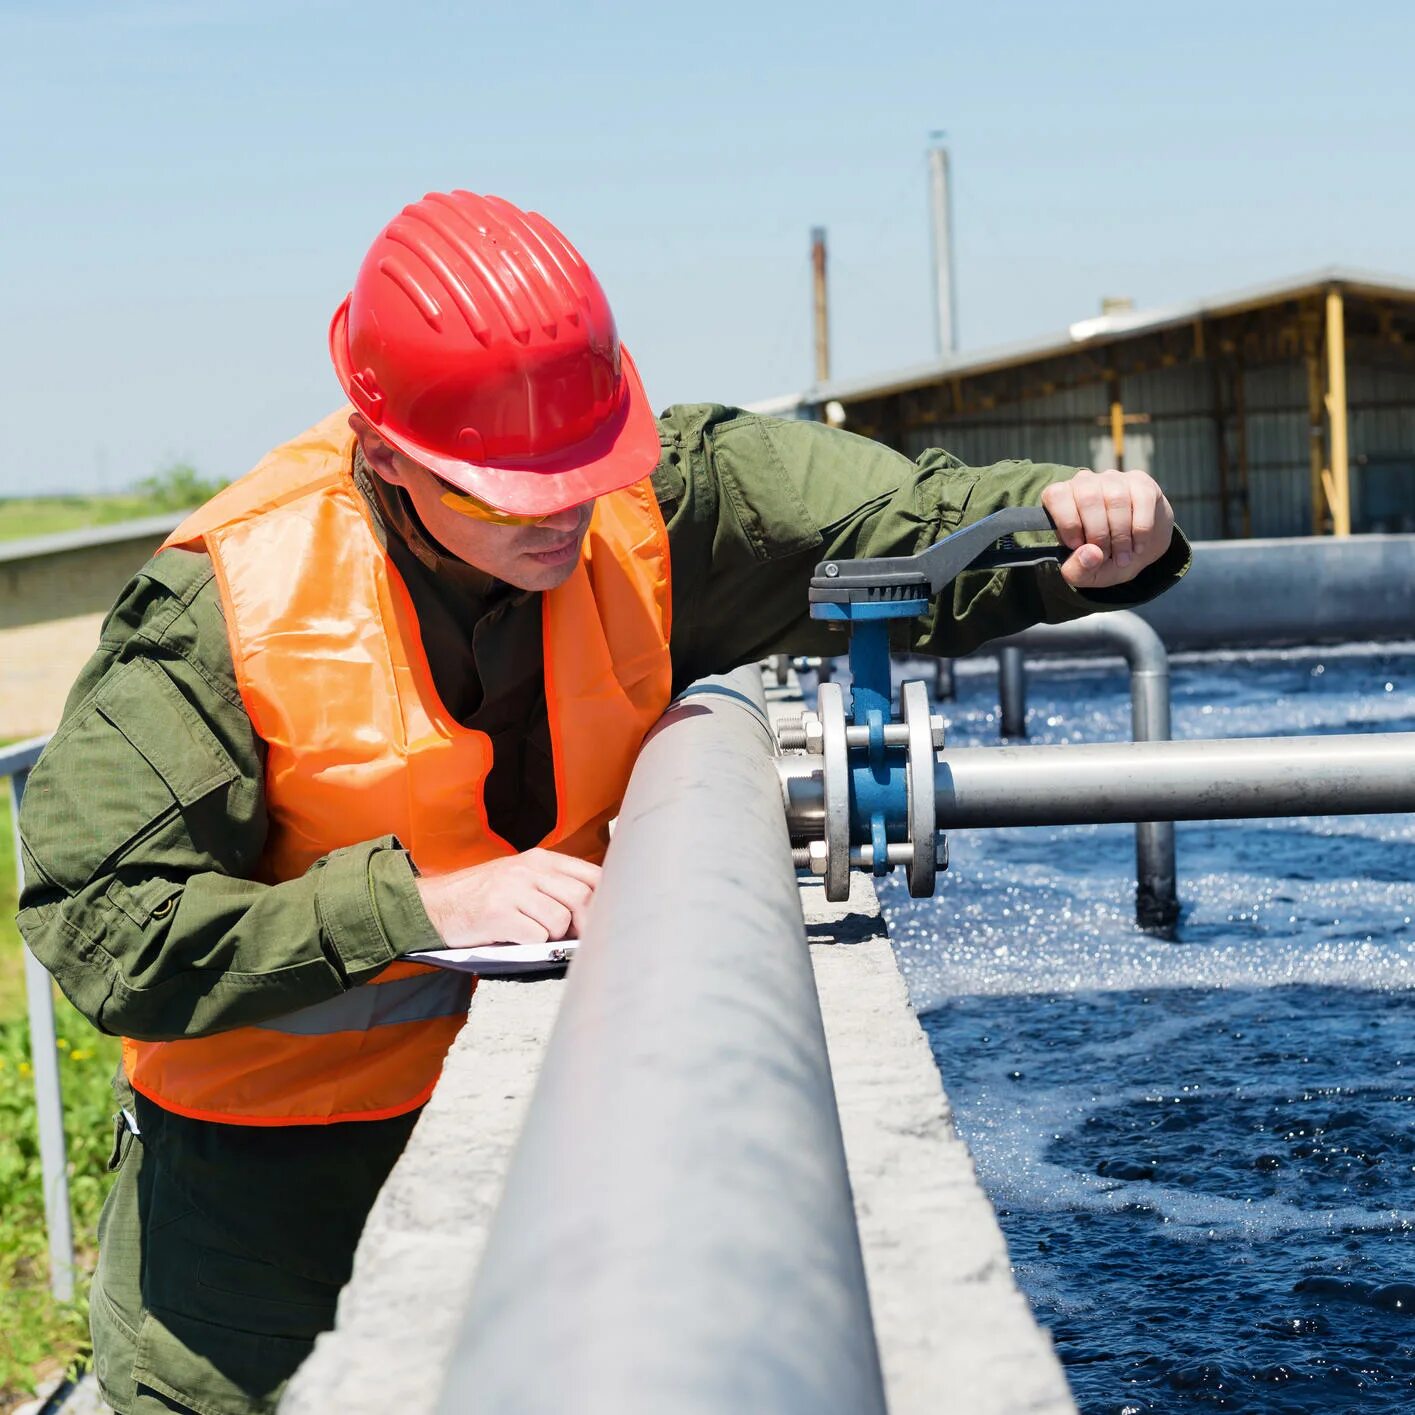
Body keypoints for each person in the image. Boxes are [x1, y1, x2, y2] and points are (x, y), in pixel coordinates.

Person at [17, 188, 1186, 1415]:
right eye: (514, 491)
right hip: (258, 1236)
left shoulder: (661, 497)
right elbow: (101, 921)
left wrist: (1074, 524)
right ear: (386, 454)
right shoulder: (223, 605)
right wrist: (411, 903)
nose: (563, 512)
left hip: (558, 1160)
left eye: (585, 469)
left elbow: (894, 523)